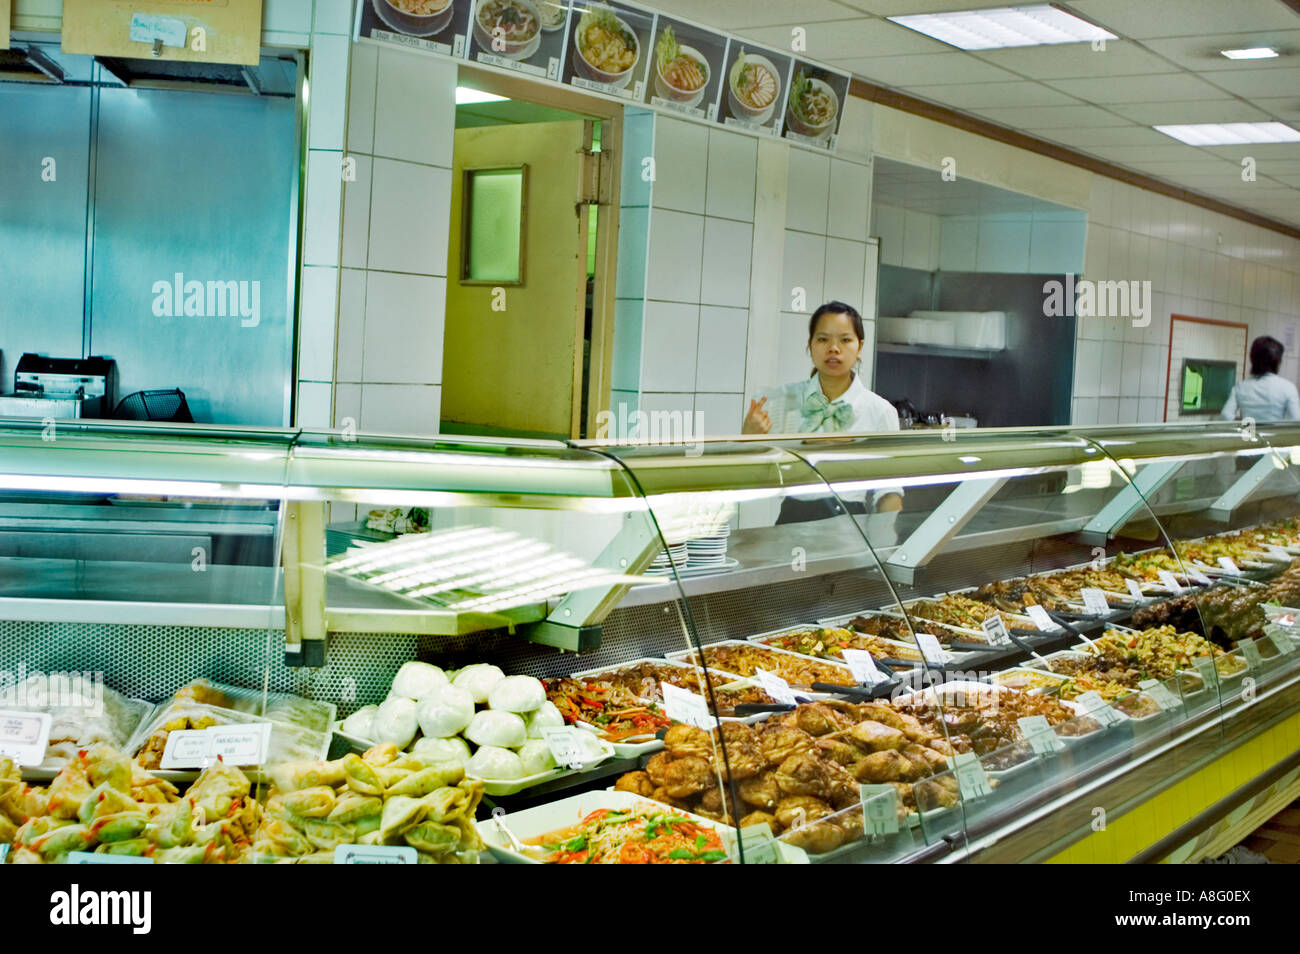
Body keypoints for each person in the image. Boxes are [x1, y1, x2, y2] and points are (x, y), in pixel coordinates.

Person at [742, 301, 902, 524]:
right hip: (791, 524)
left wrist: (887, 542)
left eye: (845, 340)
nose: (834, 348)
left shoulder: (880, 411)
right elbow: (754, 478)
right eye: (823, 339)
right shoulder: (782, 401)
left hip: (850, 529)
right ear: (810, 346)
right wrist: (749, 440)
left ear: (860, 347)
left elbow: (888, 491)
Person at [1220, 336, 1300, 422]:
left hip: (1249, 434)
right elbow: (1296, 420)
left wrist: (1242, 424)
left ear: (1252, 360)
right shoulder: (1288, 387)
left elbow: (1225, 415)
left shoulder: (1240, 387)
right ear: (1278, 362)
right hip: (1276, 435)